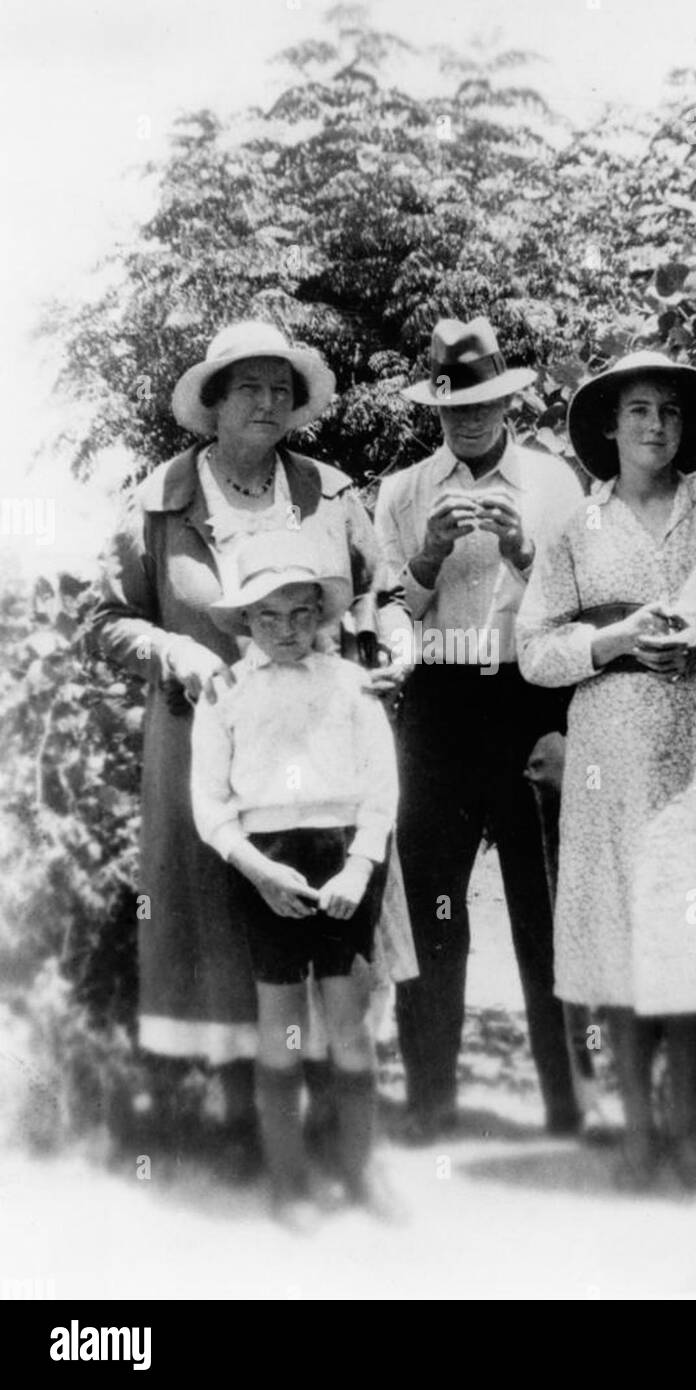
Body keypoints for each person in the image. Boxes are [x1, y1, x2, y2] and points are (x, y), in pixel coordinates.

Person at [89, 319, 405, 1161]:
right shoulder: (161, 500)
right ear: (215, 404)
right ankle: (244, 1131)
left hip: (326, 753)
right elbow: (106, 619)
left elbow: (387, 597)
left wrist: (396, 647)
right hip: (209, 746)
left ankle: (337, 1138)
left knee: (332, 924)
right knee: (223, 931)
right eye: (249, 389)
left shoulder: (330, 493)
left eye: (281, 390)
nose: (268, 405)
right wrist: (174, 647)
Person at [516, 350, 696, 1190]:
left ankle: (683, 1132)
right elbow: (533, 652)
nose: (654, 427)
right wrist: (612, 640)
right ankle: (637, 1132)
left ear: (688, 429)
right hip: (610, 755)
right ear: (609, 424)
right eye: (638, 410)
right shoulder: (575, 532)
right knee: (622, 941)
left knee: (692, 938)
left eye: (669, 413)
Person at [375, 316, 585, 1142]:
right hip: (438, 707)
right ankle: (430, 1102)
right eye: (453, 404)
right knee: (433, 906)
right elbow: (385, 615)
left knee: (545, 905)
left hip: (530, 696)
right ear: (437, 409)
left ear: (507, 400)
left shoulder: (556, 485)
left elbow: (579, 602)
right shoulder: (402, 492)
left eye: (483, 401)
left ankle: (570, 1103)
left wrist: (528, 552)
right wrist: (425, 560)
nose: (468, 418)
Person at [190, 529, 400, 1228]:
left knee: (348, 1023)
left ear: (323, 614)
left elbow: (380, 788)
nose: (287, 630)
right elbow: (210, 805)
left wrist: (361, 865)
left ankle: (361, 1170)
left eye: (302, 614)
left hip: (342, 858)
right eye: (269, 616)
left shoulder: (352, 686)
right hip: (263, 862)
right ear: (244, 621)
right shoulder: (223, 693)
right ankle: (288, 1183)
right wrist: (255, 867)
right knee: (280, 1024)